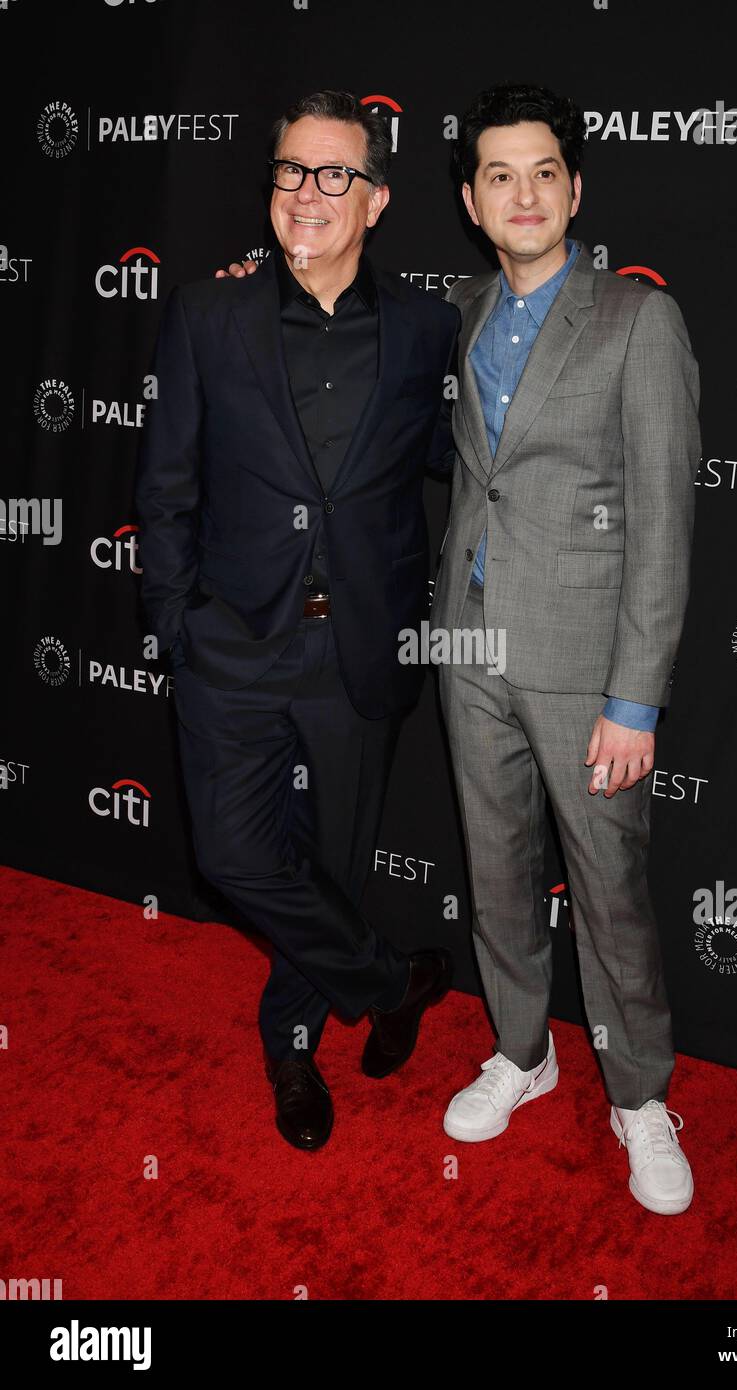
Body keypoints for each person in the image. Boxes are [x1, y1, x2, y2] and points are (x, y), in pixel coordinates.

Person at [134, 90, 459, 1153]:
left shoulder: (425, 328)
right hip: (232, 639)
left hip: (359, 641)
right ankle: (388, 977)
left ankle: (292, 1038)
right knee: (232, 855)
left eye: (334, 175)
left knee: (338, 854)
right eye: (290, 172)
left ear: (377, 200)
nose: (308, 192)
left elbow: (447, 471)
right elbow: (168, 483)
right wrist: (176, 623)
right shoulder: (206, 311)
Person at [432, 83, 700, 1215]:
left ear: (575, 189)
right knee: (495, 874)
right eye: (501, 175)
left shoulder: (639, 320)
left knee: (610, 891)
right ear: (473, 201)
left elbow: (665, 519)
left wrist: (634, 700)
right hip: (470, 648)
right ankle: (525, 1051)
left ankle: (639, 1093)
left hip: (587, 664)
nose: (524, 192)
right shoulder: (465, 309)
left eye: (544, 171)